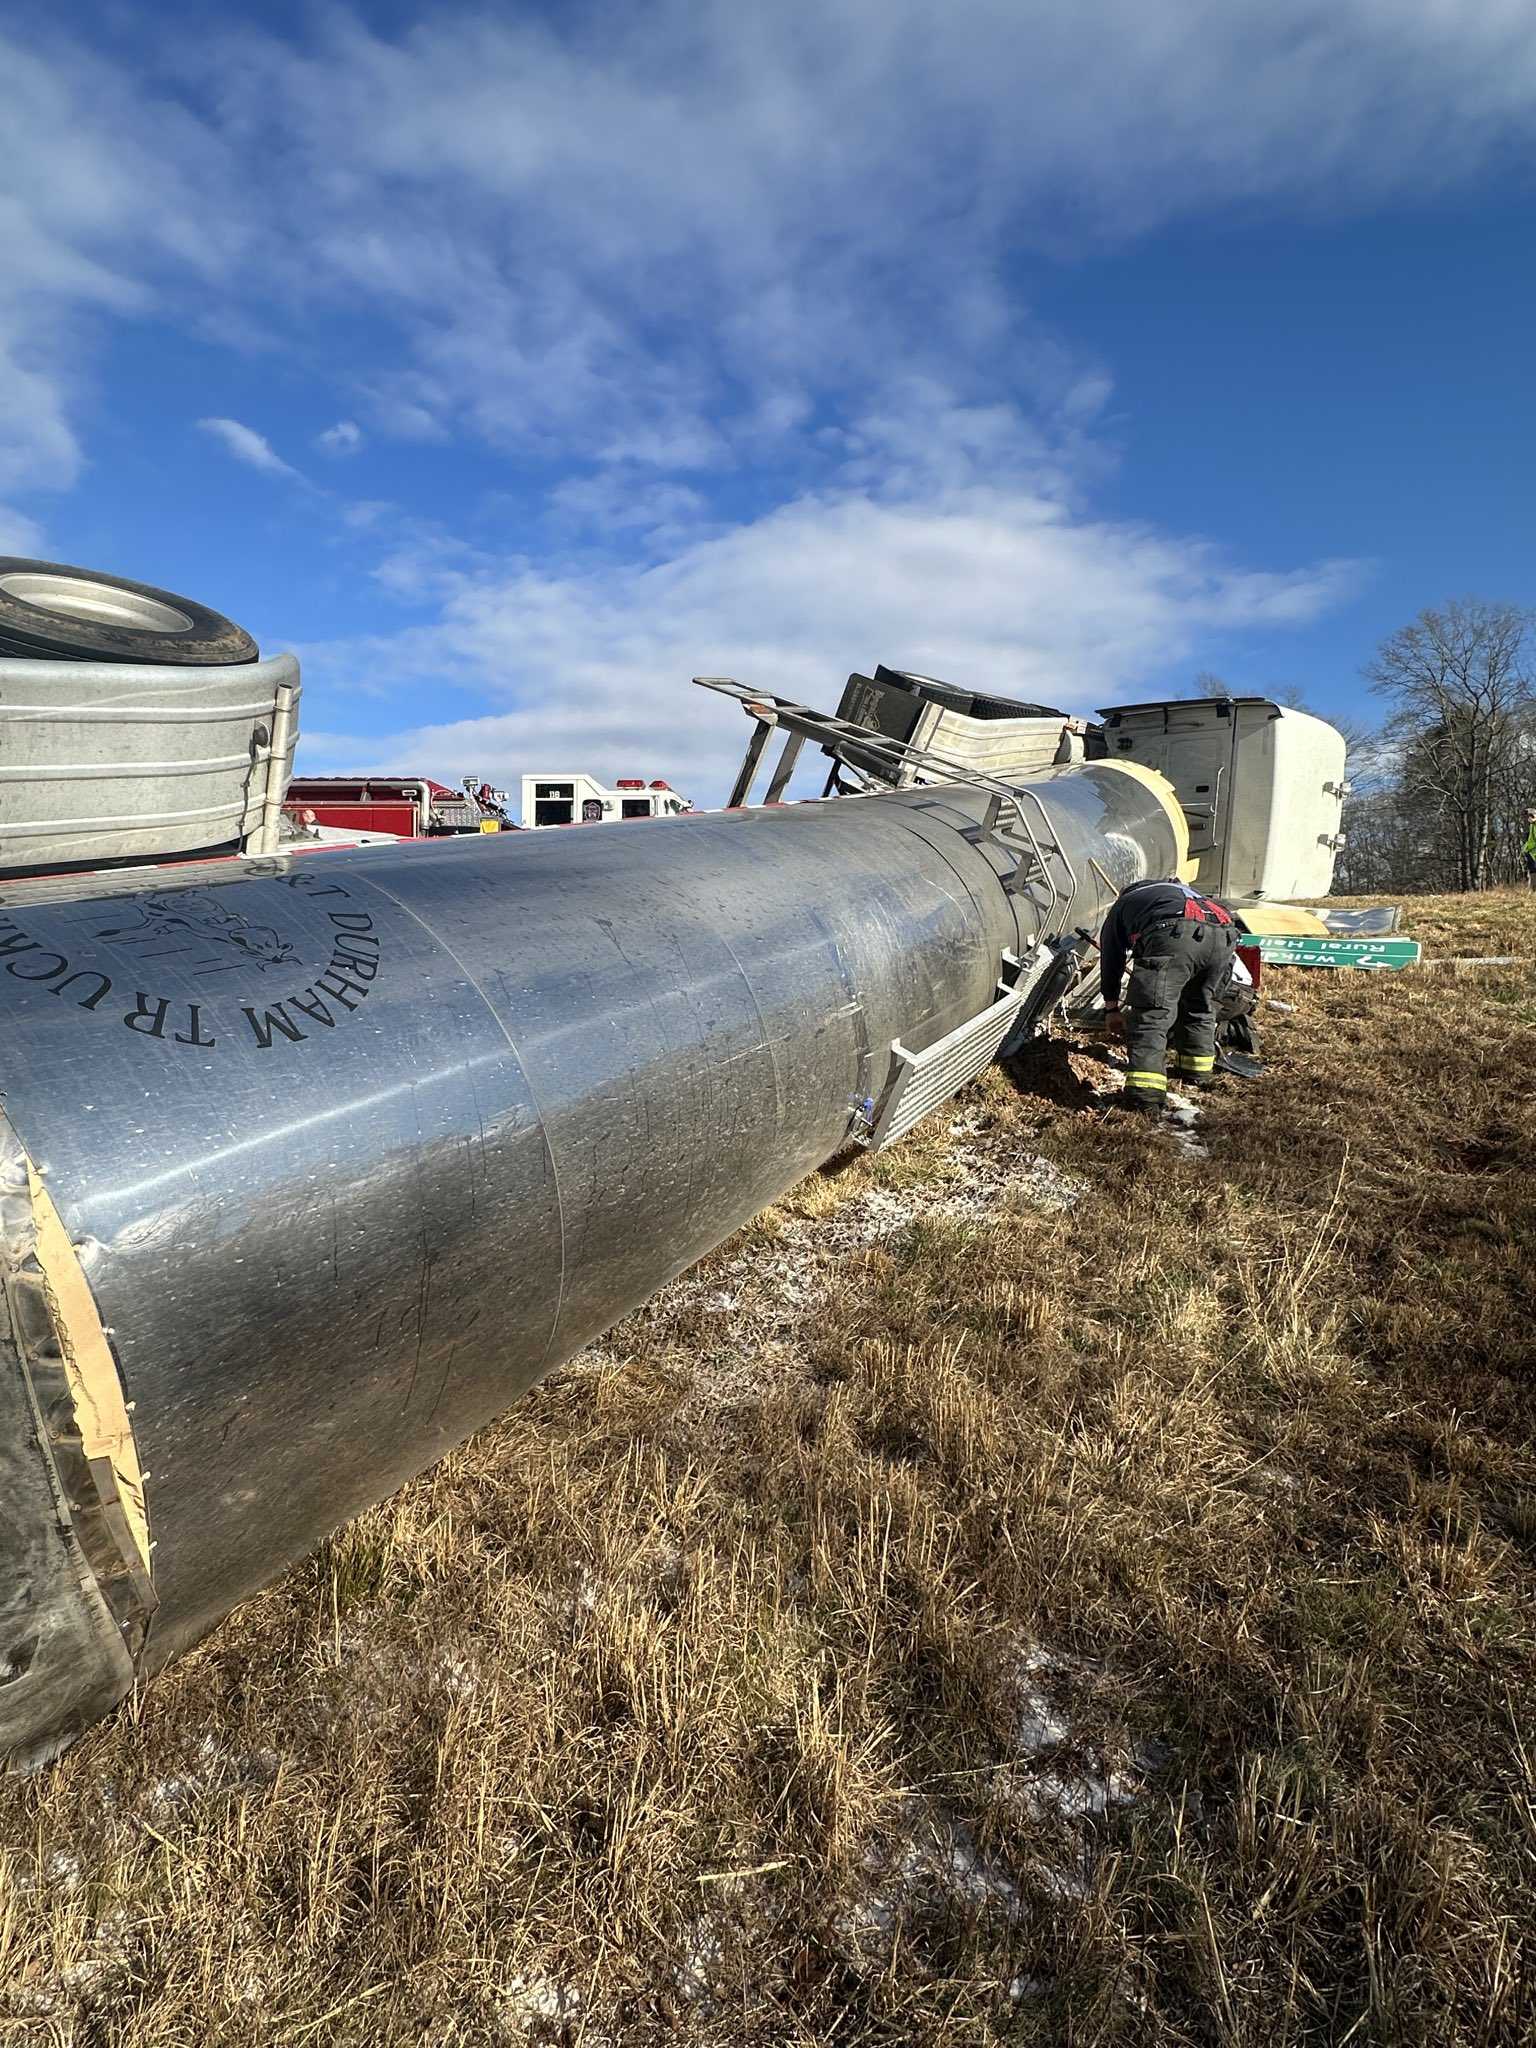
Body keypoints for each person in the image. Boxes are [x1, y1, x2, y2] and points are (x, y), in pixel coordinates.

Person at [1099, 878, 1238, 1114]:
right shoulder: (1182, 892)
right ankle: (1197, 1071)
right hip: (1225, 934)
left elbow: (1112, 958)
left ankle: (1145, 1097)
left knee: (1152, 1016)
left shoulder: (1124, 904)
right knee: (1200, 1006)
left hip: (1176, 932)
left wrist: (1111, 1008)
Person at [1523, 808, 1536, 890]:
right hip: (1531, 852)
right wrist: (1526, 849)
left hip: (1534, 851)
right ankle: (1533, 888)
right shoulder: (1532, 825)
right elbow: (1531, 839)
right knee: (1532, 869)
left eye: (1530, 816)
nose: (1528, 818)